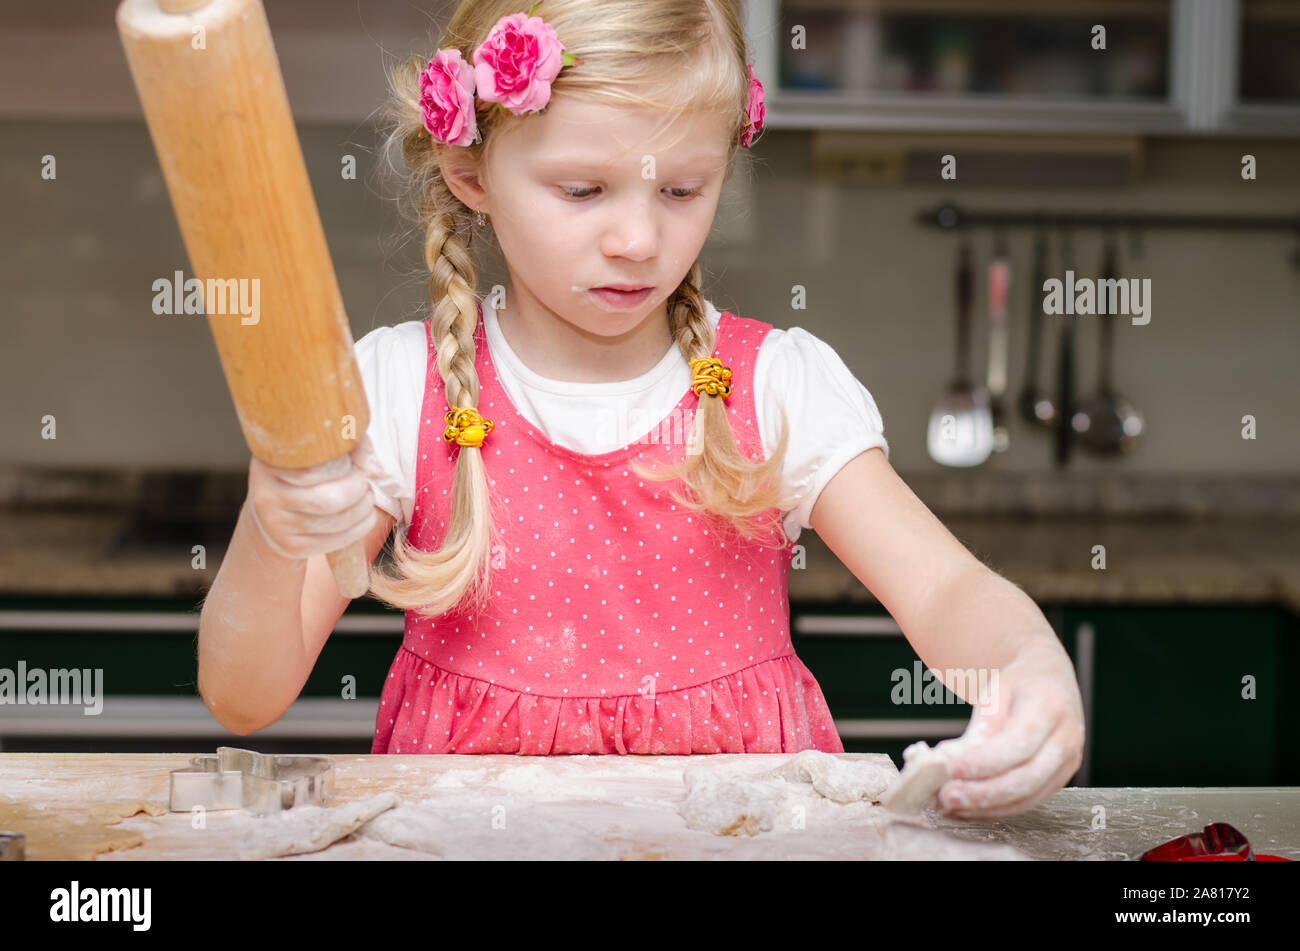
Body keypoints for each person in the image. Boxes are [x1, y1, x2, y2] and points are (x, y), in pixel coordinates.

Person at [198, 0, 1083, 821]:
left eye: (682, 190)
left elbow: (944, 589)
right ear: (470, 172)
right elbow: (245, 693)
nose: (638, 239)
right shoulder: (397, 389)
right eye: (582, 191)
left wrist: (1030, 671)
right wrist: (273, 530)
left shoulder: (773, 386)